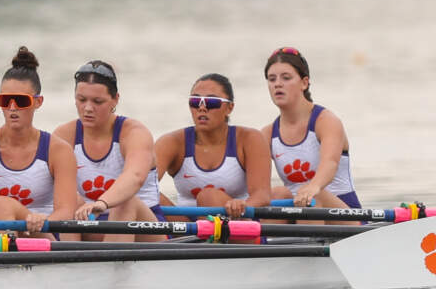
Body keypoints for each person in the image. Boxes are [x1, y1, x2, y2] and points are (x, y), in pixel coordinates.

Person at [0, 46, 79, 223]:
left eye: (21, 101)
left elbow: (66, 212)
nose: (12, 108)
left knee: (2, 205)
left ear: (38, 102)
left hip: (42, 236)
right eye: (6, 101)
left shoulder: (58, 150)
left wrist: (42, 221)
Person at [57, 59, 158, 231]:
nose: (88, 108)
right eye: (82, 99)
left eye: (97, 102)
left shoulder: (134, 133)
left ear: (115, 100)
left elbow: (135, 176)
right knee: (69, 201)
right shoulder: (64, 135)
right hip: (89, 224)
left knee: (125, 202)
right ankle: (68, 256)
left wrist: (103, 203)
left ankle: (107, 256)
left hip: (143, 228)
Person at [154, 73, 270, 212]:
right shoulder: (171, 142)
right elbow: (143, 186)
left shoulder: (250, 138)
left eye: (211, 102)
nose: (202, 108)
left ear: (229, 108)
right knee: (144, 196)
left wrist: (242, 206)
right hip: (186, 223)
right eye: (195, 102)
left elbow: (261, 195)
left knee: (209, 196)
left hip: (235, 222)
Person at [263, 46, 359, 207]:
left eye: (286, 78)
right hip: (298, 212)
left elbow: (330, 163)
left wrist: (313, 187)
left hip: (344, 215)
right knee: (277, 194)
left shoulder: (326, 121)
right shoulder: (266, 134)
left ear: (304, 83)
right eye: (272, 79)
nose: (277, 84)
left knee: (315, 197)